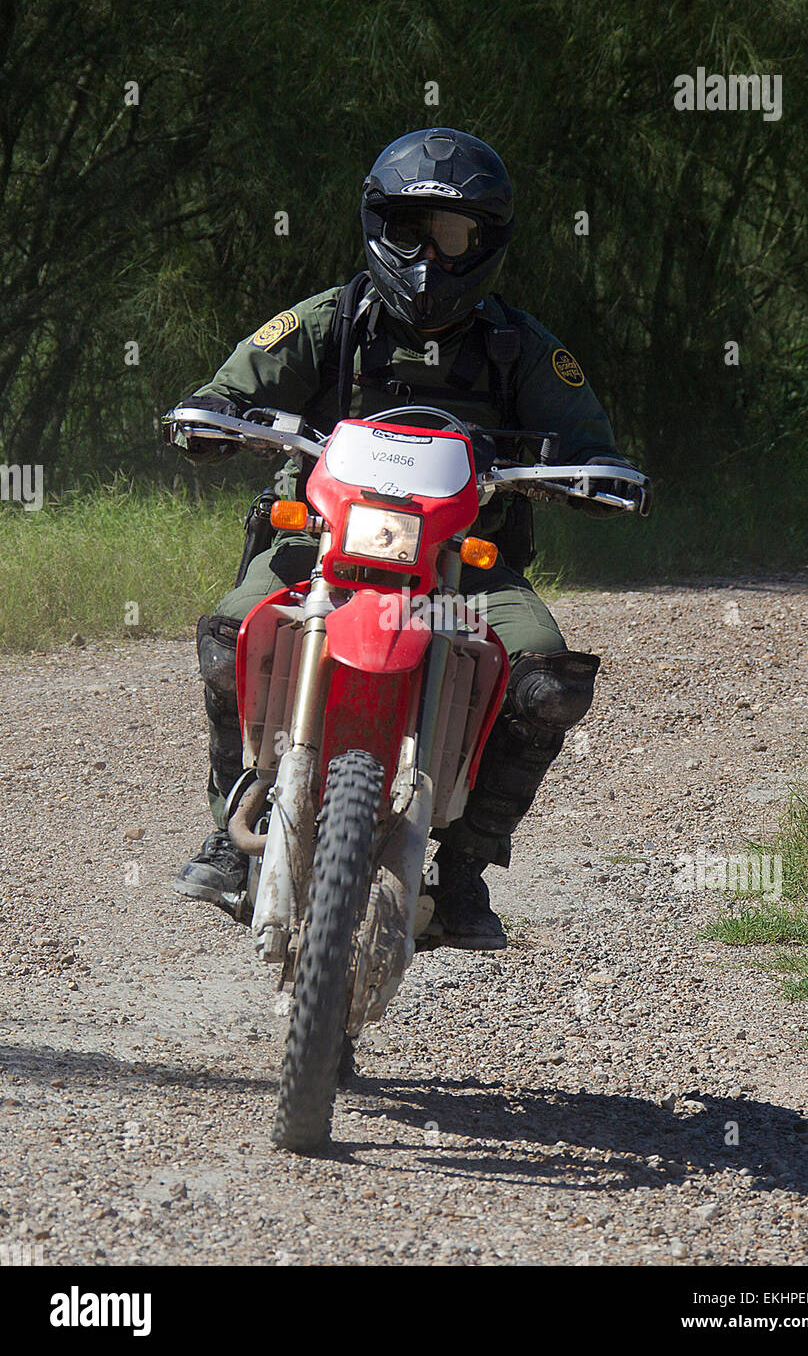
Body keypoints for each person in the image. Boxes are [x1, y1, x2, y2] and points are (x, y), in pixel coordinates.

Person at [168, 127, 645, 950]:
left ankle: (462, 870)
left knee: (549, 682)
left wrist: (598, 472)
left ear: (486, 244)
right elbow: (225, 391)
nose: (430, 254)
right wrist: (214, 421)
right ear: (376, 226)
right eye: (409, 229)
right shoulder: (329, 322)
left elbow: (590, 442)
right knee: (227, 636)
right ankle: (230, 822)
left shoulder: (520, 349)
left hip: (463, 568)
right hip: (317, 545)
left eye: (453, 235)